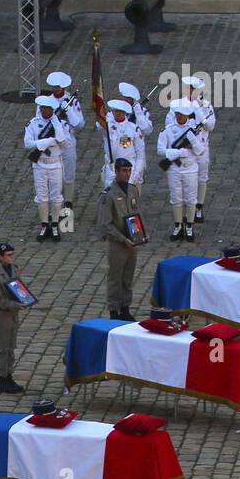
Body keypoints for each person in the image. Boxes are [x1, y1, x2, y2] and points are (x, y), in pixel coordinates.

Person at [24, 95, 74, 242]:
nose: (45, 111)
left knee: (56, 196)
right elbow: (28, 143)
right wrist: (46, 141)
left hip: (55, 164)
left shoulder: (60, 124)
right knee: (41, 196)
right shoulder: (34, 124)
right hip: (40, 163)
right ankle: (44, 224)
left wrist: (57, 127)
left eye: (48, 109)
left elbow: (65, 144)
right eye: (43, 109)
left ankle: (54, 225)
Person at [96, 157, 141, 320]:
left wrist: (140, 235)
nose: (127, 174)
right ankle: (114, 310)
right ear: (116, 171)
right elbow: (105, 224)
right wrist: (123, 239)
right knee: (115, 277)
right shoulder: (108, 195)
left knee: (128, 277)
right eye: (123, 170)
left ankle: (125, 308)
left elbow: (136, 214)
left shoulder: (133, 190)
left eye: (129, 170)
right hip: (118, 243)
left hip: (132, 241)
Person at [158, 100, 208, 241]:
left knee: (191, 199)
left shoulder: (193, 131)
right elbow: (160, 150)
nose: (179, 117)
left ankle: (189, 226)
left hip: (190, 169)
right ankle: (178, 225)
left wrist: (193, 141)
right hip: (174, 168)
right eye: (177, 114)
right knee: (176, 198)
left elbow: (201, 152)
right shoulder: (168, 130)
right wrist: (178, 153)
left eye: (182, 114)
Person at [0, 241, 28, 394]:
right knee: (3, 348)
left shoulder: (14, 270)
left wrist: (24, 299)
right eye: (8, 255)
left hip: (13, 314)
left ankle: (8, 374)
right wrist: (17, 305)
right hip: (4, 315)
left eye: (12, 254)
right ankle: (2, 378)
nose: (12, 258)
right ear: (0, 257)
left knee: (11, 347)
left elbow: (19, 288)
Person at [45, 70, 83, 209]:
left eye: (59, 87)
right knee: (53, 173)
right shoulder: (47, 101)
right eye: (54, 86)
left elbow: (79, 124)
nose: (56, 89)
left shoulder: (72, 101)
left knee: (69, 173)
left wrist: (68, 111)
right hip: (52, 143)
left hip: (68, 142)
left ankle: (68, 200)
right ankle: (54, 199)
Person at [185, 75, 215, 222]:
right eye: (189, 88)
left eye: (193, 89)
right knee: (186, 178)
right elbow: (170, 123)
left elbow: (210, 125)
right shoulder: (180, 105)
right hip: (186, 149)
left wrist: (200, 113)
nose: (190, 91)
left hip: (202, 147)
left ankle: (198, 208)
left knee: (202, 177)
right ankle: (187, 207)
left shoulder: (206, 106)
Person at [99, 99, 145, 196]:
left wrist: (137, 172)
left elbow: (140, 153)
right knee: (110, 197)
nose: (118, 113)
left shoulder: (133, 129)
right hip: (112, 167)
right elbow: (99, 124)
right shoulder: (107, 126)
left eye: (121, 111)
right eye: (116, 111)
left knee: (127, 198)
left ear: (125, 112)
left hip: (127, 169)